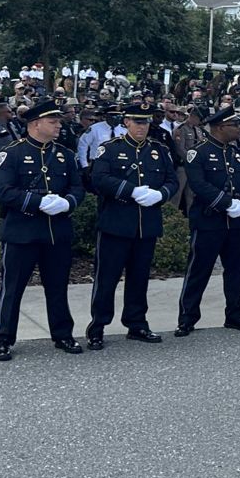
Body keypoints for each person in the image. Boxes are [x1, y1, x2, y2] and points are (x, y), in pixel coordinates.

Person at [0, 100, 87, 361]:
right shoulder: (12, 153)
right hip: (22, 231)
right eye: (52, 121)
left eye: (58, 121)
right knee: (12, 288)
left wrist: (67, 202)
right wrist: (38, 202)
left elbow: (78, 188)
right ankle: (3, 338)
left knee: (57, 287)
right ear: (35, 124)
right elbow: (4, 191)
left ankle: (62, 333)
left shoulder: (65, 155)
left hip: (56, 231)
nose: (58, 125)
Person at [85, 101, 179, 350]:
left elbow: (172, 180)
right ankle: (98, 326)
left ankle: (136, 322)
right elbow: (99, 179)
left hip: (145, 225)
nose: (142, 127)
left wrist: (162, 195)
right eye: (137, 122)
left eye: (146, 122)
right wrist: (130, 191)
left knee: (139, 278)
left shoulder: (158, 150)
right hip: (116, 223)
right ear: (126, 122)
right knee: (107, 278)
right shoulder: (111, 149)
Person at [175, 107, 240, 336]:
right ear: (221, 127)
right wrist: (227, 203)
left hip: (237, 223)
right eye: (235, 125)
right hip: (209, 221)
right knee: (199, 270)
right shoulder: (197, 152)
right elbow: (199, 185)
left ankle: (234, 314)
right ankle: (187, 317)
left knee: (236, 270)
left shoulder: (237, 154)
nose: (239, 129)